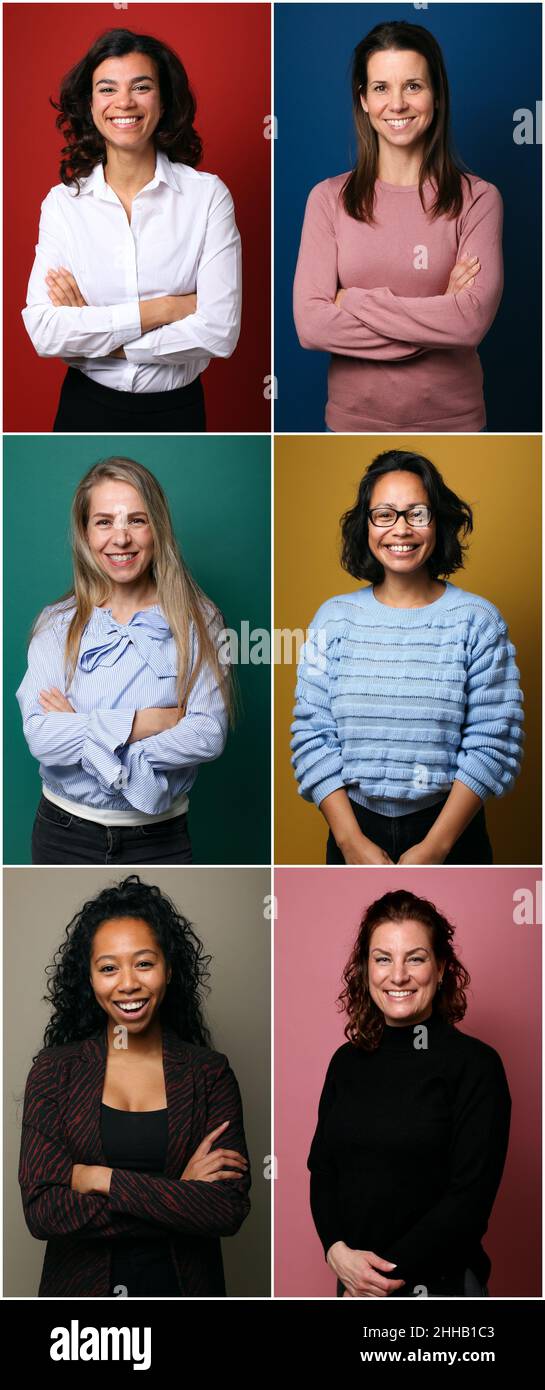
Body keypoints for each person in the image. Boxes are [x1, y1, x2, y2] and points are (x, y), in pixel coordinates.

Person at [19, 876, 251, 1297]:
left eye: (144, 963)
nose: (127, 983)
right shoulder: (55, 1072)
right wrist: (179, 1195)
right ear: (89, 978)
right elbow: (43, 1211)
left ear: (169, 967)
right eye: (108, 968)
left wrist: (99, 1178)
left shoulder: (209, 1074)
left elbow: (227, 1208)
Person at [291, 448, 524, 865]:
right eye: (384, 514)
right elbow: (313, 737)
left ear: (438, 522)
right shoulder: (334, 618)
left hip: (452, 832)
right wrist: (350, 843)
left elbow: (493, 741)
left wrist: (436, 847)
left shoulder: (477, 620)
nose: (401, 529)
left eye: (417, 513)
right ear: (366, 525)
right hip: (352, 829)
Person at [22, 28, 241, 433]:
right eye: (107, 89)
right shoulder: (62, 205)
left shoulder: (207, 197)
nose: (124, 102)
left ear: (163, 101)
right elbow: (46, 333)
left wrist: (97, 334)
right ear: (90, 105)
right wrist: (166, 310)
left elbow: (218, 332)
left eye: (141, 86)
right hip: (84, 407)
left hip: (178, 411)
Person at [16, 456, 231, 865]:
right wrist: (141, 723)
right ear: (84, 533)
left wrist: (93, 739)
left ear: (157, 529)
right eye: (104, 522)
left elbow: (207, 733)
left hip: (160, 839)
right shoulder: (55, 624)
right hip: (63, 835)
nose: (121, 538)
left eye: (136, 520)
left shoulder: (201, 620)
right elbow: (41, 736)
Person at [293, 20, 502, 432]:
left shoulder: (479, 198)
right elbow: (312, 326)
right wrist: (439, 308)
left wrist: (351, 301)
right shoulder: (327, 199)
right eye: (381, 88)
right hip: (353, 421)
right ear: (364, 101)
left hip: (454, 421)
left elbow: (469, 322)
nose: (397, 104)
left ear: (436, 95)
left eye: (413, 86)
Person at [308, 889, 511, 1298]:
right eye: (383, 958)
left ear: (440, 969)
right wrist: (335, 1252)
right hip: (354, 1287)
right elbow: (323, 1170)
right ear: (365, 969)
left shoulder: (476, 1065)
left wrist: (374, 1283)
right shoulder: (345, 1062)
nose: (397, 975)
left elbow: (468, 1203)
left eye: (415, 958)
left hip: (439, 1287)